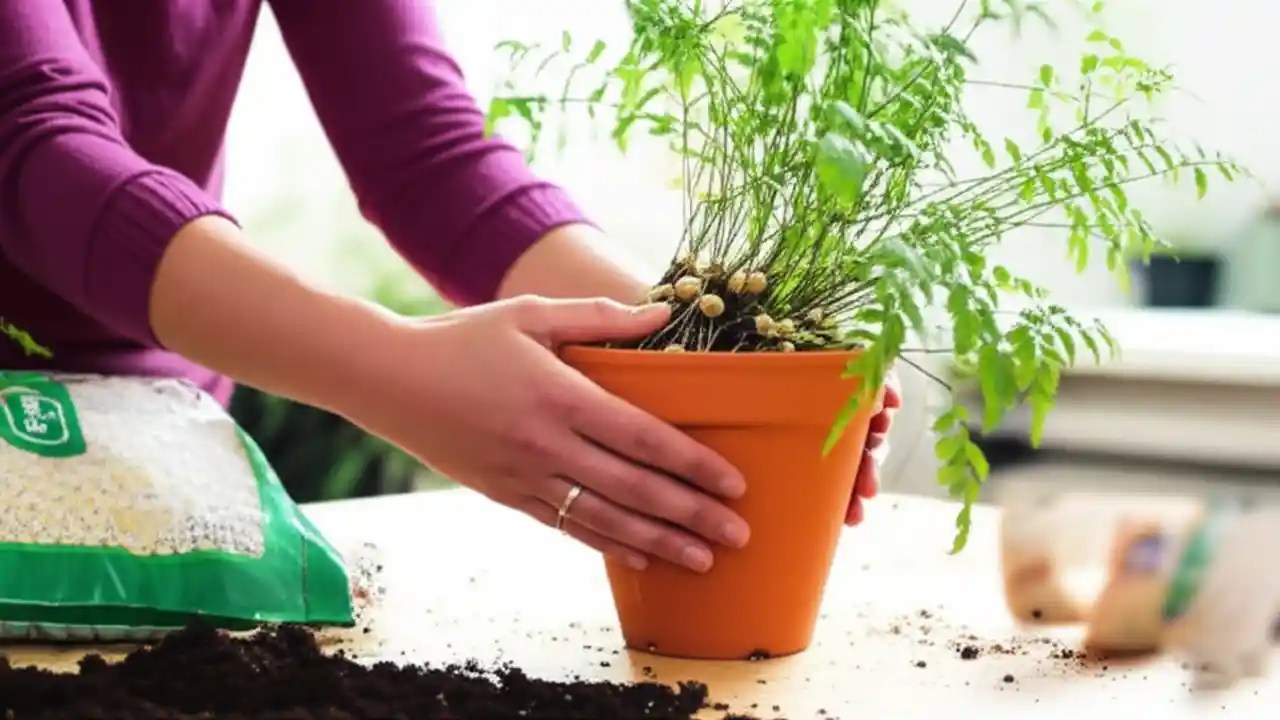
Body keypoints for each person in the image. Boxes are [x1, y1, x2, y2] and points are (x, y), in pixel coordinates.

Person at [0, 2, 901, 575]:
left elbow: (428, 154)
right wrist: (391, 370)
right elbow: (34, 148)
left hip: (159, 455)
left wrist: (703, 352)